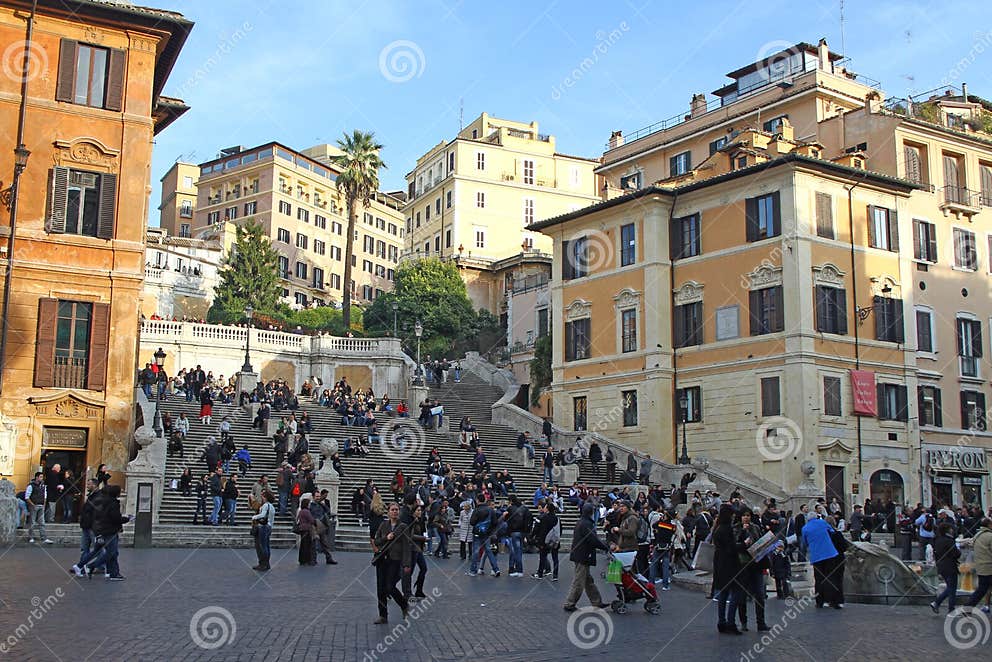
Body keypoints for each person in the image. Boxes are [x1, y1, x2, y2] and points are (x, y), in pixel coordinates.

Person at [563, 502, 609, 612]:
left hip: (581, 554)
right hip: (583, 555)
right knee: (579, 581)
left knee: (588, 580)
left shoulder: (582, 522)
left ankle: (597, 601)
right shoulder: (586, 524)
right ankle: (569, 603)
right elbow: (593, 539)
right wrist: (605, 547)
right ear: (591, 512)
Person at [372, 502, 411, 624]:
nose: (395, 512)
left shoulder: (403, 526)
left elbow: (407, 546)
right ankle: (383, 615)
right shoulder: (383, 525)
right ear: (388, 512)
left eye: (397, 510)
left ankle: (403, 605)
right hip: (382, 559)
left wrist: (406, 564)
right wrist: (386, 538)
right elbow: (377, 541)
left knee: (390, 586)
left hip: (395, 560)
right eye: (392, 510)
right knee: (380, 589)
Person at [84, 484, 130, 580]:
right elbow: (115, 518)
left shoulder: (104, 502)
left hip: (104, 529)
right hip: (110, 530)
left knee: (113, 552)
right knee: (111, 552)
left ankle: (113, 573)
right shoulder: (113, 503)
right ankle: (92, 565)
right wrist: (126, 519)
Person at [735, 508, 771, 632]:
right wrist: (742, 534)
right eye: (744, 515)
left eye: (748, 515)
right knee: (742, 595)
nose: (746, 518)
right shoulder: (736, 528)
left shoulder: (755, 527)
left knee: (760, 594)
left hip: (756, 563)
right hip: (742, 565)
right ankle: (743, 622)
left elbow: (760, 540)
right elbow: (734, 545)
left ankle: (761, 622)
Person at [802, 512, 845, 609]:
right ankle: (834, 601)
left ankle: (820, 602)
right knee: (831, 578)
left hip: (816, 556)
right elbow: (832, 531)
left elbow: (804, 542)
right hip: (829, 553)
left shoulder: (805, 528)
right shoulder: (822, 523)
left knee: (818, 579)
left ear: (808, 519)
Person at [713, 504, 743, 634]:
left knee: (723, 594)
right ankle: (731, 622)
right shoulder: (727, 529)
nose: (734, 516)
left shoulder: (717, 528)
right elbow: (731, 548)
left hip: (719, 563)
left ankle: (721, 621)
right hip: (729, 565)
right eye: (732, 514)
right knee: (736, 593)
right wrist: (743, 544)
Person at [70, 479, 101, 577]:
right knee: (84, 548)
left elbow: (95, 512)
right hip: (86, 525)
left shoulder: (98, 496)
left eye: (89, 484)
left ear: (95, 485)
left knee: (98, 548)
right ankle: (82, 567)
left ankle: (98, 565)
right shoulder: (91, 496)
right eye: (87, 483)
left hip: (92, 526)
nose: (87, 485)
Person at [930, 521, 961, 614]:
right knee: (952, 589)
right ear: (948, 530)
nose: (952, 530)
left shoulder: (938, 540)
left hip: (941, 566)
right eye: (951, 529)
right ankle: (950, 609)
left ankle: (937, 603)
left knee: (950, 587)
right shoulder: (949, 540)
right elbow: (956, 553)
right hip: (950, 566)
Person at [468, 497, 500, 577]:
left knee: (475, 551)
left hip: (477, 533)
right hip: (487, 533)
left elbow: (472, 522)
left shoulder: (477, 510)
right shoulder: (491, 510)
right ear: (485, 500)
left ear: (477, 500)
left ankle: (473, 570)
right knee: (489, 551)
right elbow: (495, 522)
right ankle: (496, 569)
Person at [965, 517, 992, 609]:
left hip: (980, 566)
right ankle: (968, 606)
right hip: (989, 566)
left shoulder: (977, 535)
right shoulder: (990, 536)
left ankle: (968, 607)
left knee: (982, 589)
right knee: (982, 589)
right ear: (989, 525)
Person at [532, 500, 561, 581]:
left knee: (543, 557)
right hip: (555, 541)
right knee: (555, 558)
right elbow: (560, 530)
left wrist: (540, 541)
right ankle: (555, 575)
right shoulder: (557, 518)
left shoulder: (544, 518)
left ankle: (540, 574)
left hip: (545, 541)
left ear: (547, 509)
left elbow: (542, 531)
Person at [24, 472, 52, 544]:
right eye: (40, 477)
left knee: (42, 522)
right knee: (32, 522)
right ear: (36, 477)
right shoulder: (31, 486)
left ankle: (44, 537)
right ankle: (31, 537)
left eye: (42, 477)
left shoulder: (43, 486)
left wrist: (44, 504)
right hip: (34, 505)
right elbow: (27, 497)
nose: (42, 478)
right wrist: (32, 505)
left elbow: (45, 495)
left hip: (41, 505)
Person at [251, 491, 275, 571]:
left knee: (262, 546)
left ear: (266, 497)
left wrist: (254, 517)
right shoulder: (272, 506)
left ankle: (263, 564)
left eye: (263, 496)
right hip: (269, 526)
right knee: (266, 545)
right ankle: (267, 563)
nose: (262, 498)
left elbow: (263, 515)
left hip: (263, 526)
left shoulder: (265, 505)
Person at [296, 497, 317, 566]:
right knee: (306, 545)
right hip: (306, 529)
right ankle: (306, 559)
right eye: (309, 503)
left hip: (302, 529)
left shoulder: (301, 511)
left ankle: (302, 559)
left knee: (303, 545)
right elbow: (311, 520)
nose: (310, 505)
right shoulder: (306, 511)